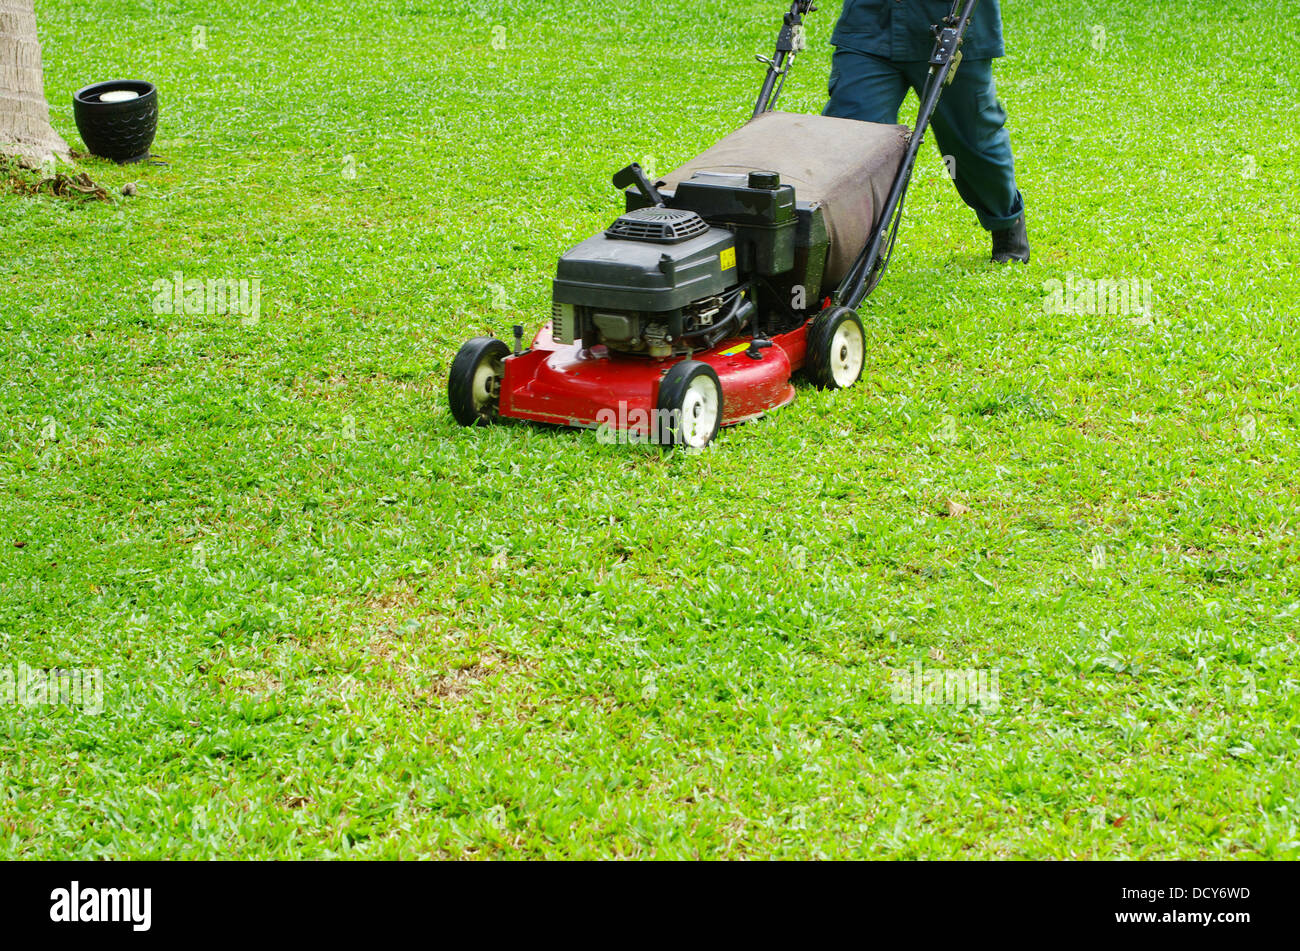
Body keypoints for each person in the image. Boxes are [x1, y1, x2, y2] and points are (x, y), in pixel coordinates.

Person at [823, 0, 1030, 263]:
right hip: (871, 26)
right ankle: (851, 242)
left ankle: (1006, 223)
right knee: (851, 134)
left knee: (973, 141)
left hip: (957, 25)